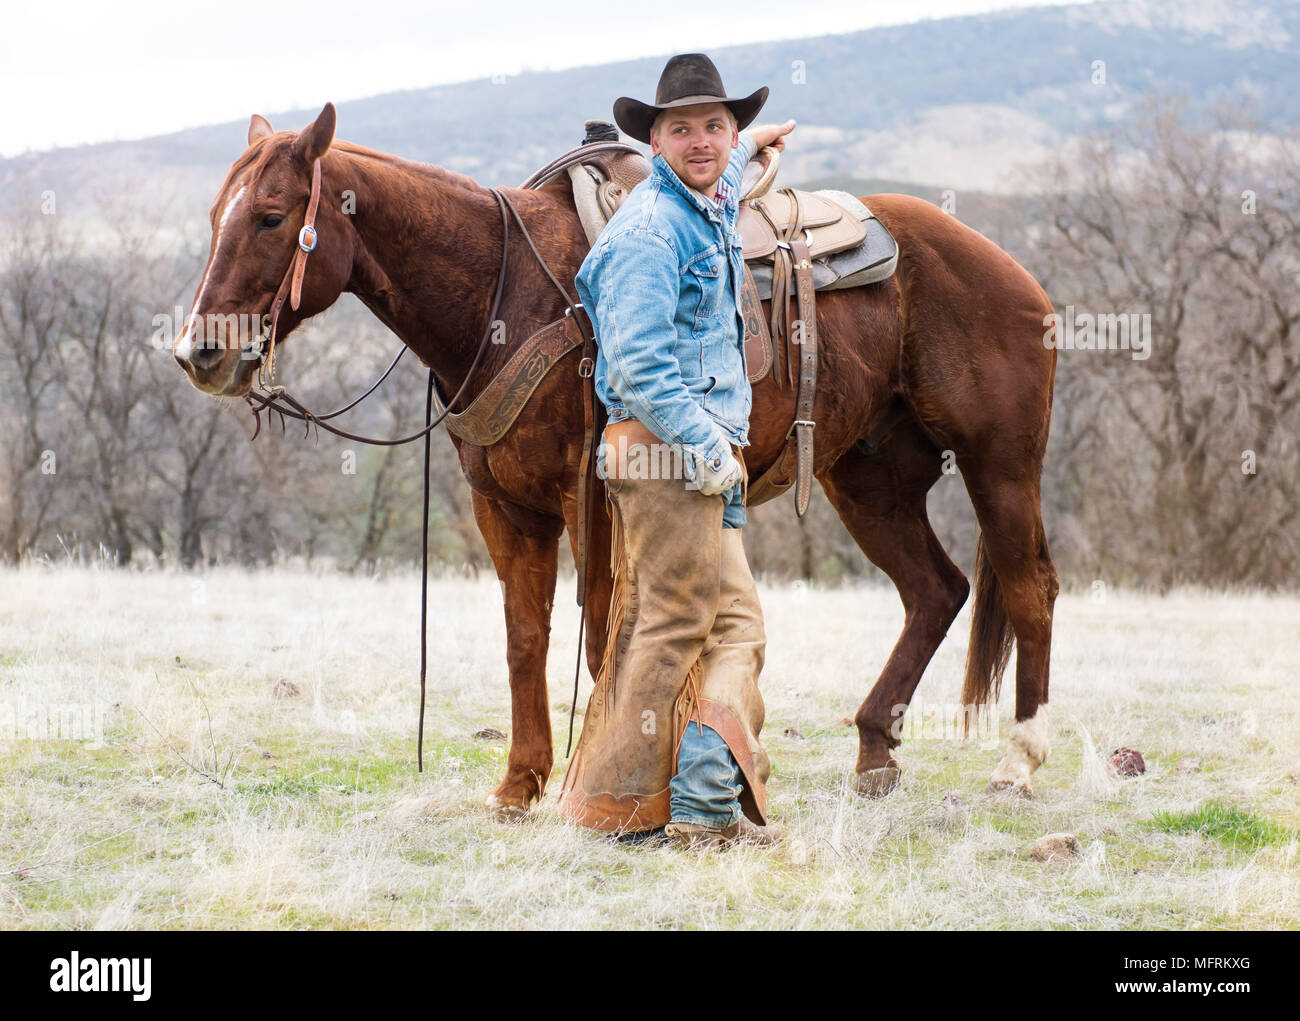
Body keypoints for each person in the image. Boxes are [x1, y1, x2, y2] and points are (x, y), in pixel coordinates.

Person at [558, 52, 795, 849]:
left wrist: (756, 145)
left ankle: (686, 802)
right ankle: (646, 808)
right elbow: (638, 365)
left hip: (695, 458)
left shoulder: (701, 199)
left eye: (715, 126)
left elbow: (722, 173)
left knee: (728, 625)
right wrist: (706, 445)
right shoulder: (651, 231)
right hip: (669, 454)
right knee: (672, 623)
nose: (702, 141)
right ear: (653, 141)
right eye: (683, 128)